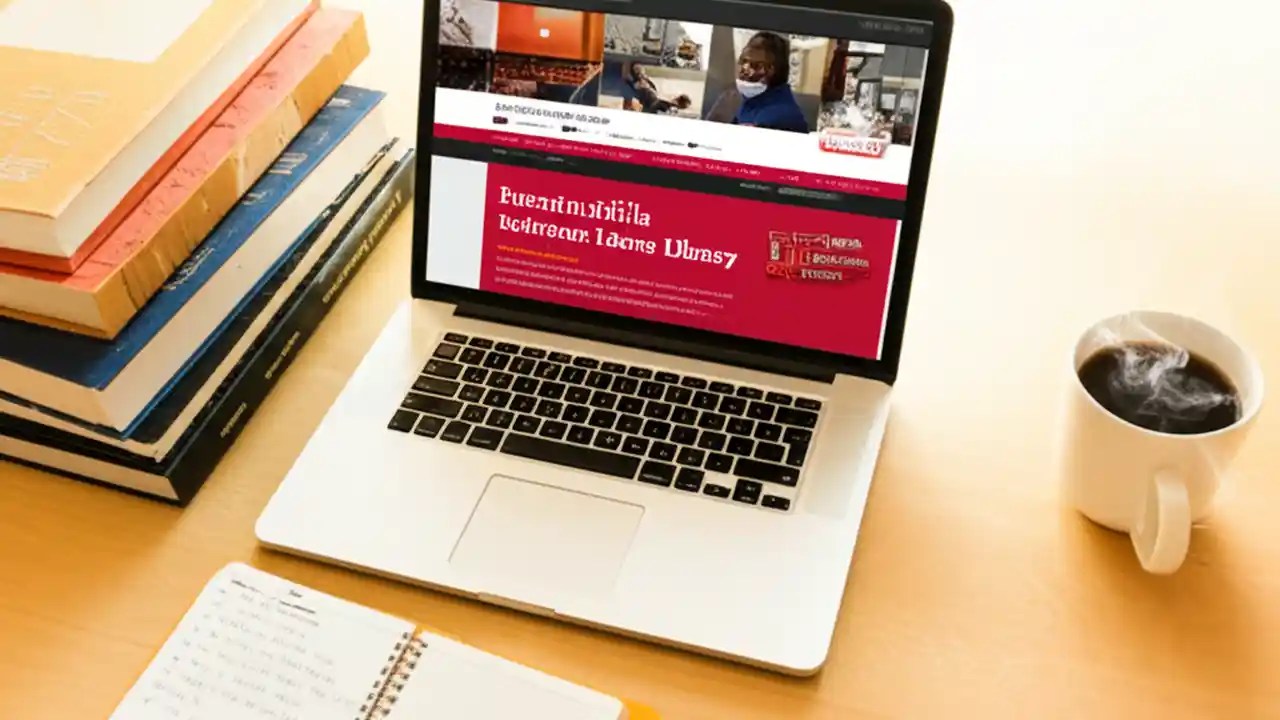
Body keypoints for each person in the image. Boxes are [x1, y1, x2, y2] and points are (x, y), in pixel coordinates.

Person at [732, 31, 809, 133]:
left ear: (774, 70)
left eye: (756, 66)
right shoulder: (752, 100)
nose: (744, 70)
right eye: (743, 61)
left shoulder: (779, 116)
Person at [624, 62, 692, 114]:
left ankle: (636, 79)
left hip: (647, 100)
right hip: (647, 99)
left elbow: (653, 105)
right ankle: (638, 77)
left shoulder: (669, 108)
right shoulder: (670, 108)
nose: (674, 97)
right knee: (649, 89)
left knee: (648, 90)